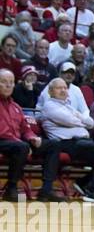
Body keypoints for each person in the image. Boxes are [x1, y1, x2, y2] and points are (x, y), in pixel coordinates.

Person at [36, 77, 94, 202]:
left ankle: (83, 182)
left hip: (82, 142)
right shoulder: (49, 106)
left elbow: (92, 123)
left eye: (65, 88)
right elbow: (70, 120)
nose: (63, 90)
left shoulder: (68, 107)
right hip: (67, 143)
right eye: (58, 88)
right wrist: (81, 120)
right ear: (50, 91)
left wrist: (79, 120)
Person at [0, 68, 47, 201]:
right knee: (21, 147)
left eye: (11, 82)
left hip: (15, 143)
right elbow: (2, 132)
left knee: (52, 145)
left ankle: (46, 189)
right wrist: (21, 142)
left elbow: (25, 129)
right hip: (4, 141)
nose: (8, 85)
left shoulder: (16, 107)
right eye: (4, 82)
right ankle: (12, 187)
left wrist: (32, 137)